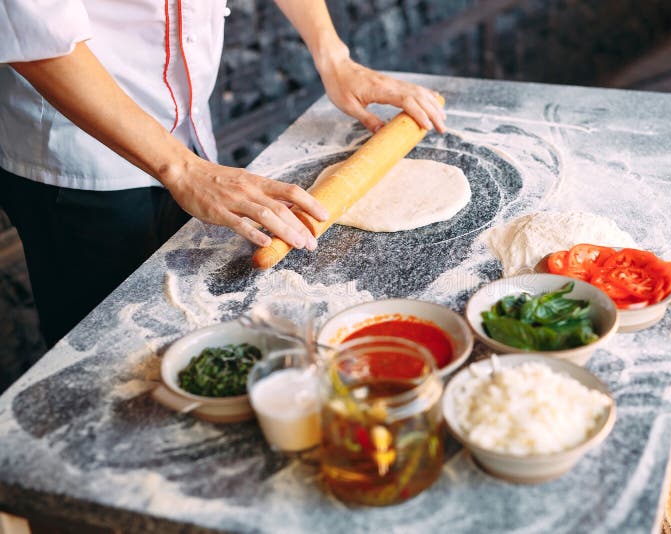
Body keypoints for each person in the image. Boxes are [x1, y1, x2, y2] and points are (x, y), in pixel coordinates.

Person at [0, 0, 446, 347]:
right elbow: (30, 24)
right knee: (110, 362)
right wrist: (182, 170)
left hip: (189, 143)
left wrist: (334, 56)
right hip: (80, 161)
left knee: (190, 330)